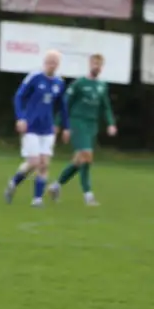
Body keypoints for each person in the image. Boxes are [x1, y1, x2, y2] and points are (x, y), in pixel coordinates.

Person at [48, 53, 117, 206]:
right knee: (87, 157)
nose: (96, 67)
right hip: (77, 123)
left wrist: (111, 123)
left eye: (99, 65)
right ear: (89, 64)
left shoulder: (102, 86)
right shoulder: (79, 83)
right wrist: (58, 124)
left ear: (101, 67)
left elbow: (106, 106)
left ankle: (56, 186)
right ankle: (88, 195)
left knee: (80, 161)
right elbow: (66, 104)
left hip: (92, 126)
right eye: (94, 64)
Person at [4, 50, 70, 207]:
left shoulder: (59, 83)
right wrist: (20, 118)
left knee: (44, 164)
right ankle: (13, 183)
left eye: (55, 62)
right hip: (31, 127)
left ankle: (37, 199)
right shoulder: (34, 78)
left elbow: (62, 106)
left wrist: (66, 127)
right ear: (44, 62)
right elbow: (19, 97)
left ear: (58, 65)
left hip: (47, 129)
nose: (51, 64)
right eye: (49, 61)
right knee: (33, 162)